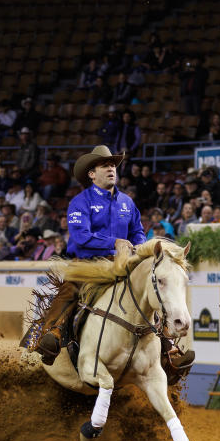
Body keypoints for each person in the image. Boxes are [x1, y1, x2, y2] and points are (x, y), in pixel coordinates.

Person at [34, 145, 147, 363]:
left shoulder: (127, 202)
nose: (111, 168)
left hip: (122, 262)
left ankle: (167, 344)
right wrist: (114, 242)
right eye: (104, 165)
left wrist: (139, 246)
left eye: (113, 164)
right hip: (88, 263)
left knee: (151, 289)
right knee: (70, 289)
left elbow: (137, 231)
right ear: (92, 174)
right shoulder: (80, 202)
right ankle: (51, 334)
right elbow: (81, 236)